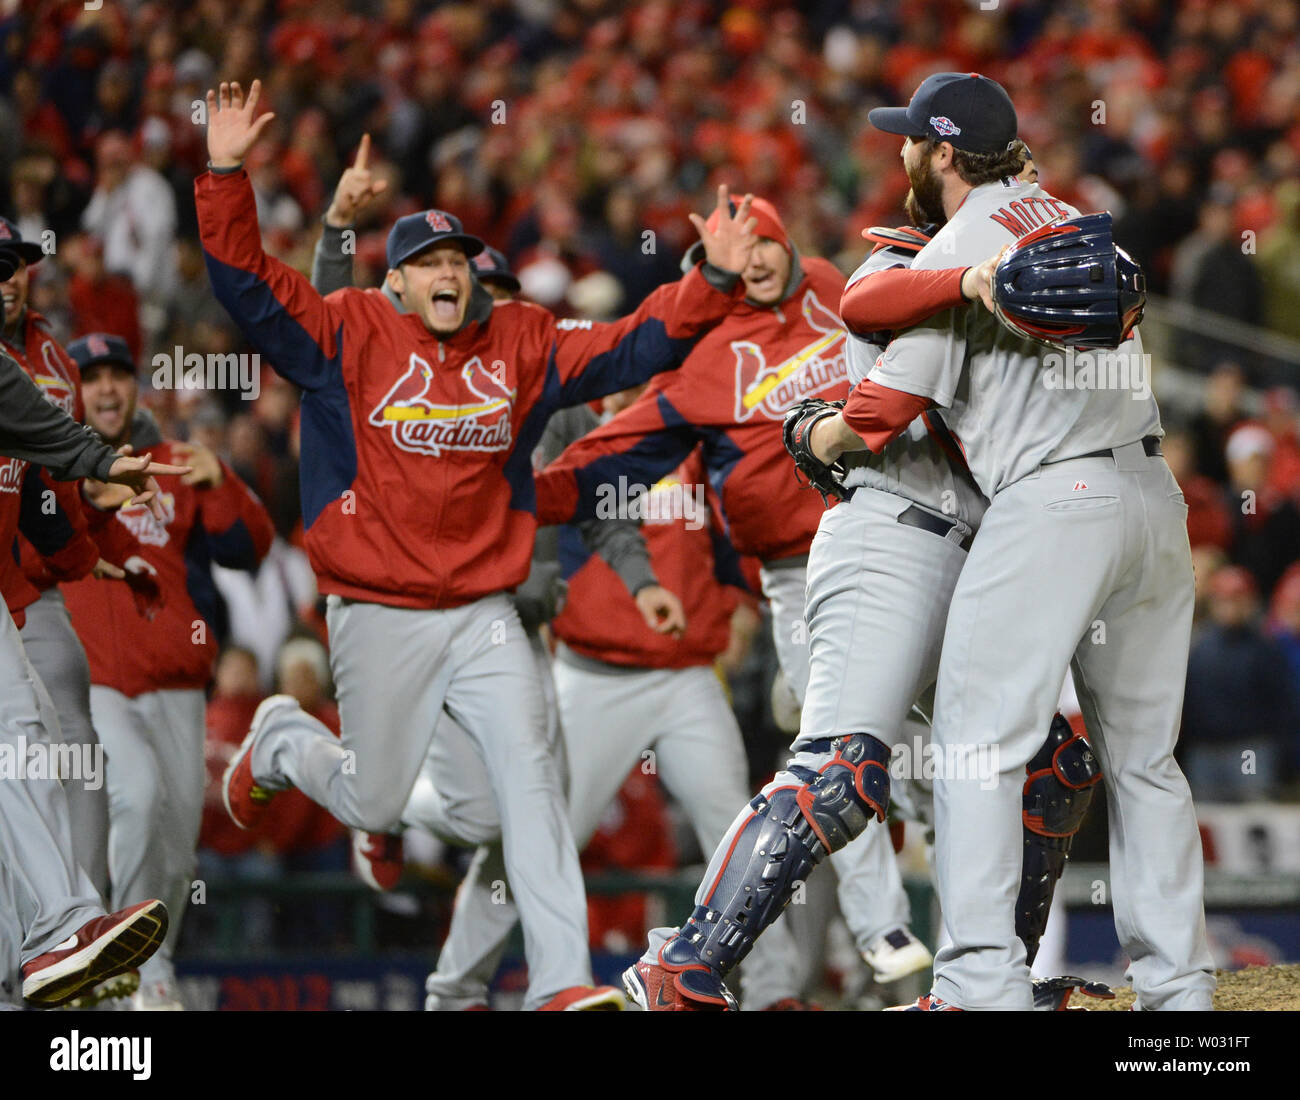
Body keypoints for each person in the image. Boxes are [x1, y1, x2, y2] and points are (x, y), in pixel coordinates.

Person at [201, 80, 757, 1011]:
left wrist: (712, 278)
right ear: (398, 282)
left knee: (531, 784)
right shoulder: (349, 332)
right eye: (427, 262)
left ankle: (557, 985)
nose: (447, 273)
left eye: (458, 259)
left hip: (484, 612)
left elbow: (630, 347)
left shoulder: (523, 341)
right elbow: (250, 289)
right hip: (378, 609)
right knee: (374, 803)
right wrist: (223, 173)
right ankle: (286, 741)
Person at [807, 72, 1214, 1010]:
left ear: (942, 152)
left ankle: (981, 983)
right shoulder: (1071, 216)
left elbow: (880, 399)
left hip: (1054, 500)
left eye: (910, 141)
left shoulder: (961, 243)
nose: (901, 154)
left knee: (975, 743)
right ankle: (1180, 994)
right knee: (1146, 762)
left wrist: (815, 436)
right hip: (1153, 496)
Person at [534, 191, 935, 993]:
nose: (756, 259)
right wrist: (521, 495)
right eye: (737, 249)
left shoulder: (836, 286)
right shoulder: (708, 351)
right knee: (837, 758)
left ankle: (977, 942)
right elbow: (621, 447)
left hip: (912, 539)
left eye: (765, 240)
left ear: (788, 242)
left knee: (955, 751)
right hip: (801, 573)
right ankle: (880, 927)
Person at [61, 332, 275, 1009]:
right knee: (137, 798)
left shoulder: (172, 465)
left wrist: (226, 481)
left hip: (177, 682)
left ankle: (151, 968)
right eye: (91, 376)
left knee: (179, 849)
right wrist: (86, 497)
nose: (106, 388)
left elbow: (249, 550)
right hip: (95, 680)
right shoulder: (56, 465)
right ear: (73, 390)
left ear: (135, 388)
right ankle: (113, 967)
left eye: (117, 374)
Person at [0, 338, 181, 1008]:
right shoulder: (17, 373)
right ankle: (56, 930)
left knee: (22, 745)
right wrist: (99, 455)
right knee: (19, 747)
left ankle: (56, 934)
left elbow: (42, 500)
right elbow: (19, 402)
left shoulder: (35, 359)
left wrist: (85, 548)